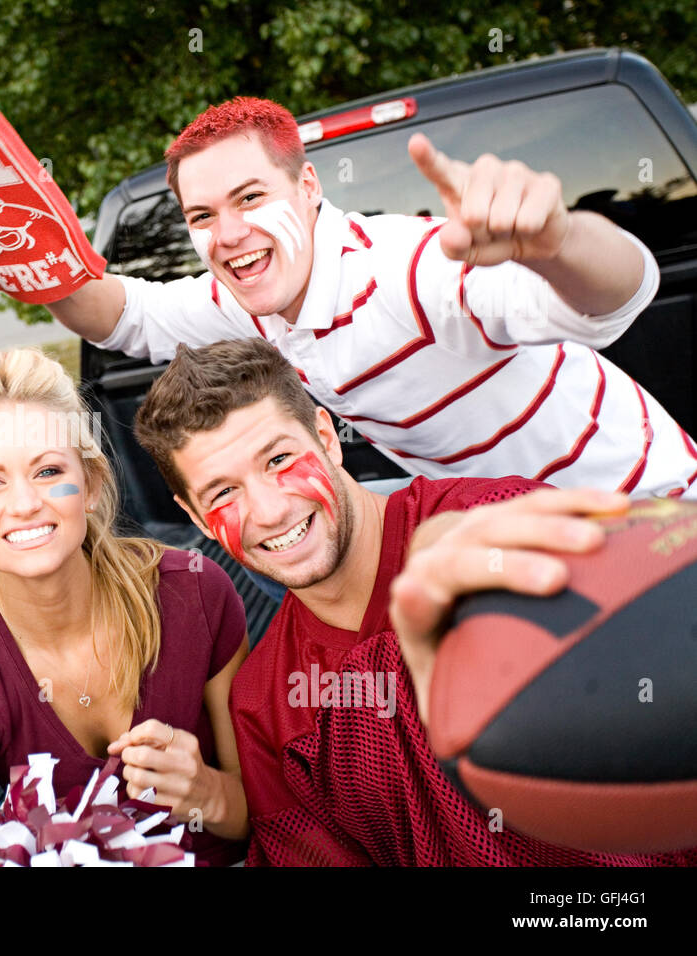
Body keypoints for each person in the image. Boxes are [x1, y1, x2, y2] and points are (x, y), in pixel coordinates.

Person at [0, 88, 697, 498]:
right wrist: (52, 277)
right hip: (519, 526)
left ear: (309, 187)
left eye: (250, 198)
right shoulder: (242, 298)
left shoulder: (408, 270)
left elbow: (613, 299)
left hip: (648, 506)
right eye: (202, 216)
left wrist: (559, 237)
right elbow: (128, 317)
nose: (229, 234)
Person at [132, 337, 696, 865]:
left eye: (278, 460)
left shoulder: (501, 522)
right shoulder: (265, 707)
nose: (271, 511)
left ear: (327, 438)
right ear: (194, 518)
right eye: (223, 492)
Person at [0, 348, 249, 865]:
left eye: (47, 471)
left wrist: (208, 793)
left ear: (92, 484)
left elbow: (273, 815)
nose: (24, 504)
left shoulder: (196, 595)